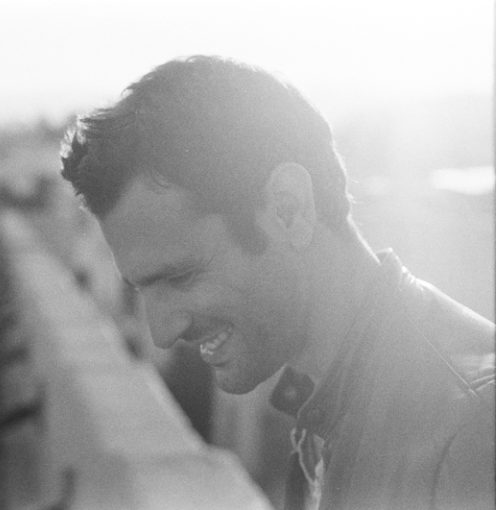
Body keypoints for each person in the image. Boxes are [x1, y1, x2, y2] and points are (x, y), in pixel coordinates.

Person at [59, 55, 494, 510]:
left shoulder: (471, 431)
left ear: (289, 208)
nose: (161, 333)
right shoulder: (329, 402)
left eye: (181, 275)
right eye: (140, 288)